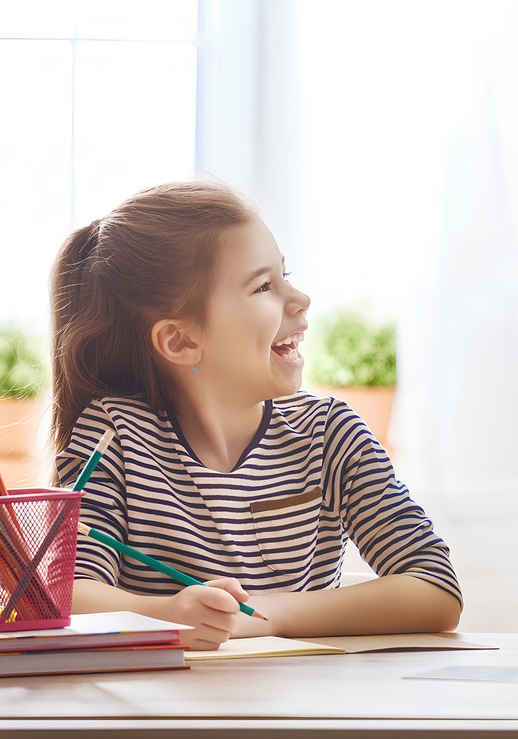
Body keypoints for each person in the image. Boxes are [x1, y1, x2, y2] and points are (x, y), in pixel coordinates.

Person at [51, 181, 461, 649]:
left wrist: (266, 615)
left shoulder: (329, 434)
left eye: (285, 275)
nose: (300, 299)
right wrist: (167, 614)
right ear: (181, 342)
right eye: (264, 286)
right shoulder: (116, 436)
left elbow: (436, 589)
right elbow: (69, 595)